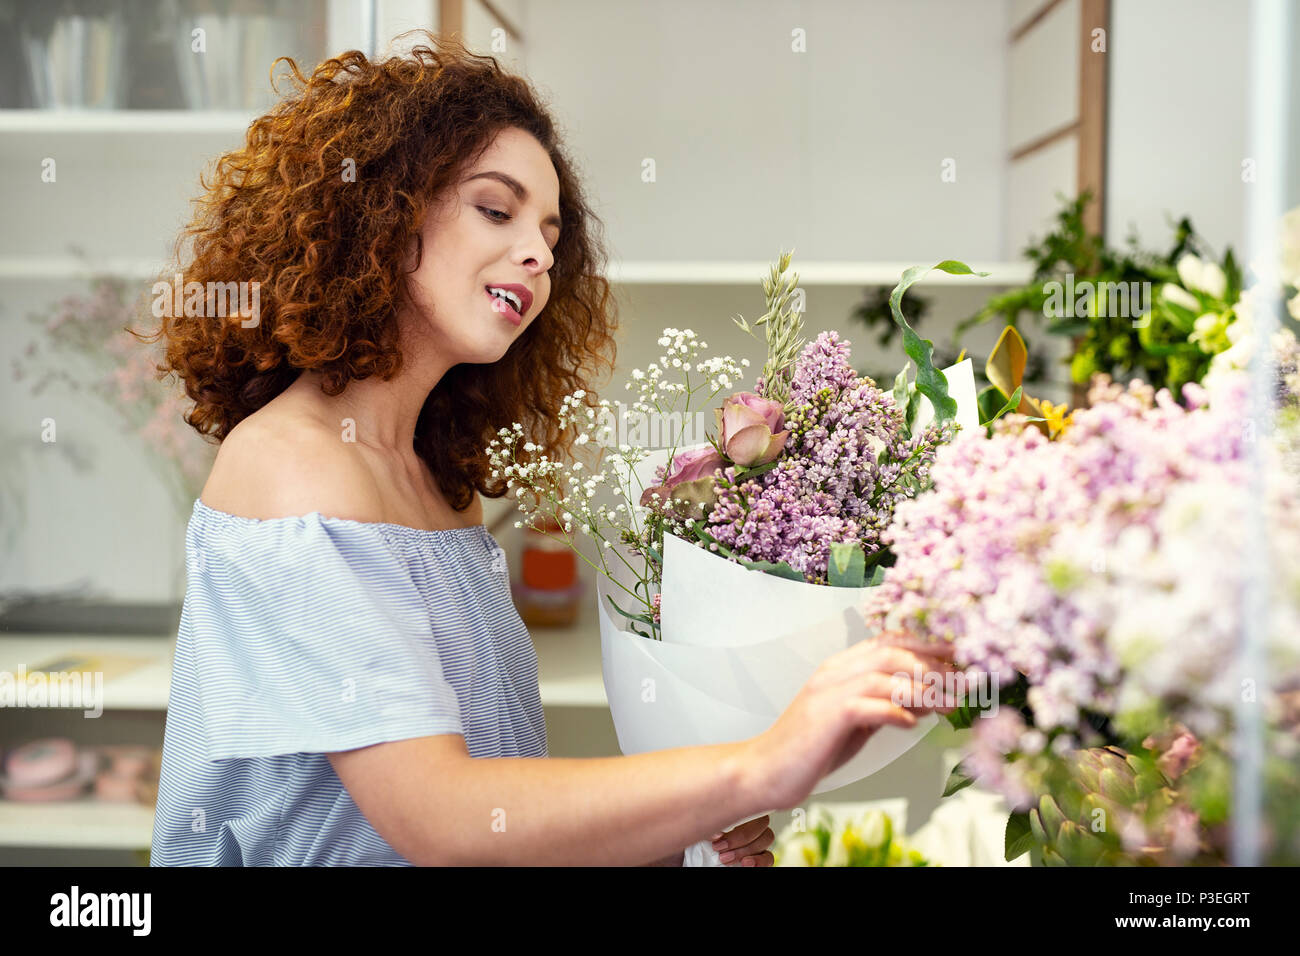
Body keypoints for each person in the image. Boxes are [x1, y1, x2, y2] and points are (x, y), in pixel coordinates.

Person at [142, 32, 956, 867]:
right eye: (496, 209)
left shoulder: (438, 483)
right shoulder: (291, 466)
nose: (537, 254)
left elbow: (493, 807)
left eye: (551, 234)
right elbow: (442, 820)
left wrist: (676, 837)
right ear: (381, 211)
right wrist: (755, 767)